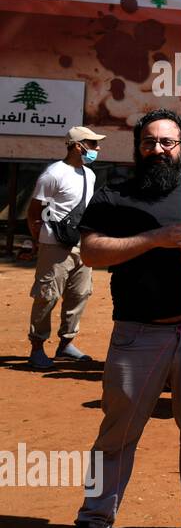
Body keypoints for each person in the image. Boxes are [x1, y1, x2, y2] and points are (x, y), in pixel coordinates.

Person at [43, 110, 181, 528]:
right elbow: (92, 251)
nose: (158, 150)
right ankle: (94, 522)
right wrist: (155, 238)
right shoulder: (115, 193)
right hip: (139, 334)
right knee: (115, 434)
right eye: (150, 142)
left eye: (167, 142)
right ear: (138, 147)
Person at [25, 125, 104, 369]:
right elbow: (34, 212)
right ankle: (37, 348)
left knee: (80, 294)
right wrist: (42, 240)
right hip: (55, 246)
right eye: (92, 144)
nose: (97, 148)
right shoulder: (53, 174)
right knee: (46, 296)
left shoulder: (89, 174)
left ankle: (66, 343)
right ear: (78, 146)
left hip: (82, 244)